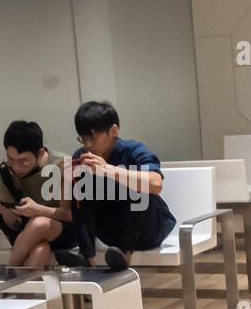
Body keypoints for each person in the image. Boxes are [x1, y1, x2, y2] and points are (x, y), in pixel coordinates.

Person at [55, 100, 176, 272]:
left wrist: (109, 170)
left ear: (113, 131)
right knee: (83, 185)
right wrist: (66, 178)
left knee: (136, 186)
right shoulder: (82, 156)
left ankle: (124, 255)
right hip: (111, 232)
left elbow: (156, 184)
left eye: (92, 137)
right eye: (83, 138)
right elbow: (66, 209)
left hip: (148, 230)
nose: (87, 145)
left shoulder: (133, 150)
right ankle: (86, 257)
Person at [0, 120, 75, 268]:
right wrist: (5, 212)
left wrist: (38, 210)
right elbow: (13, 225)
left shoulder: (63, 165)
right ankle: (23, 291)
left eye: (23, 161)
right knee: (39, 251)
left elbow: (69, 215)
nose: (16, 167)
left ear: (40, 153)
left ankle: (8, 274)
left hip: (64, 230)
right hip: (28, 234)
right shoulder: (6, 171)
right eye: (10, 159)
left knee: (39, 222)